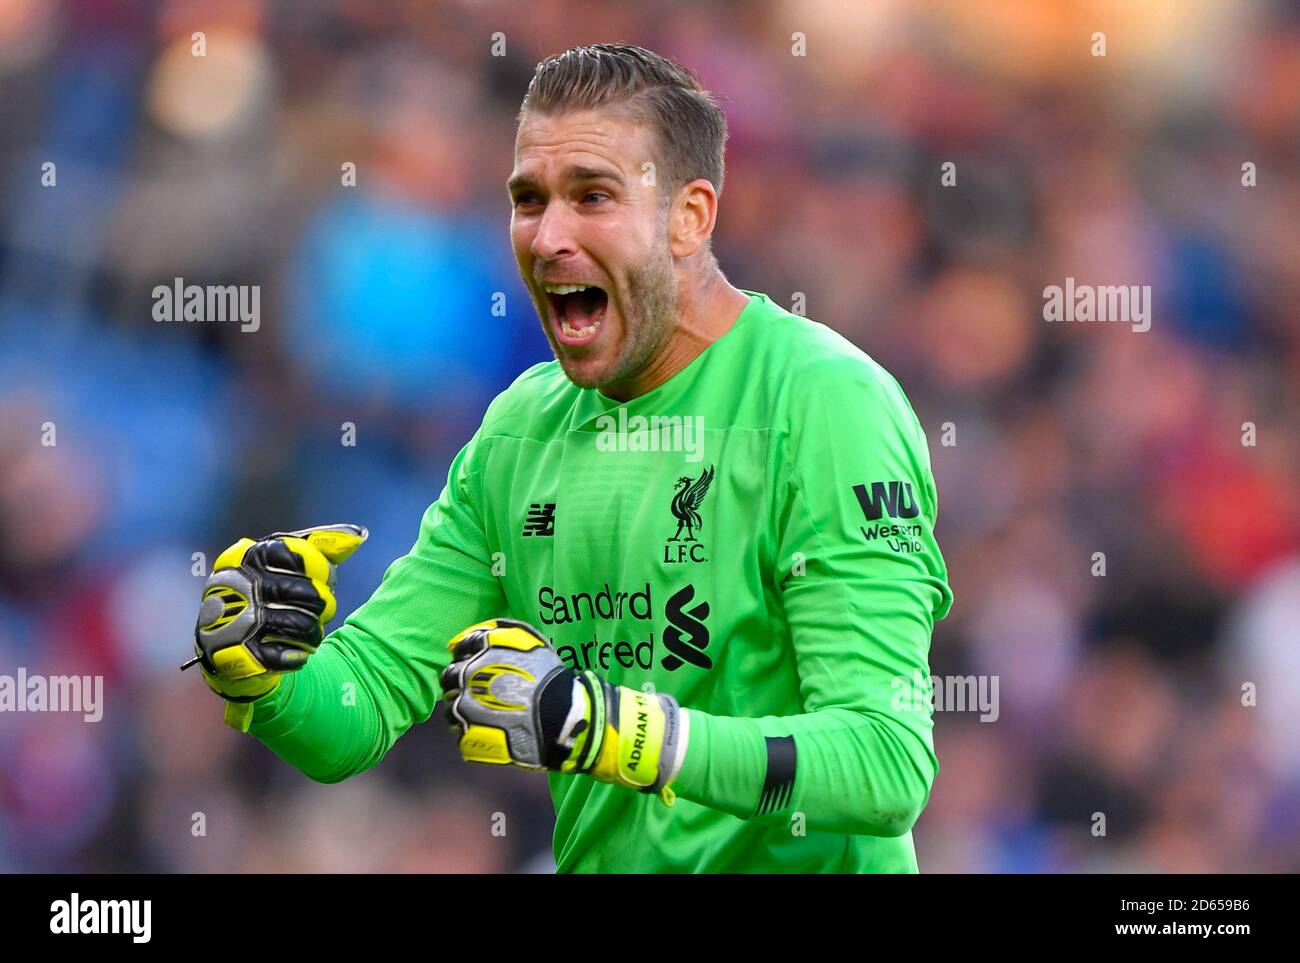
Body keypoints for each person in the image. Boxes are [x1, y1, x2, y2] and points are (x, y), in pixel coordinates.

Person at [190, 43, 953, 873]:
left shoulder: (822, 402)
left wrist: (621, 732)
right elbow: (356, 708)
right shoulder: (520, 431)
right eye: (529, 199)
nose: (549, 236)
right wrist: (263, 674)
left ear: (689, 217)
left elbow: (884, 763)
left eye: (592, 196)